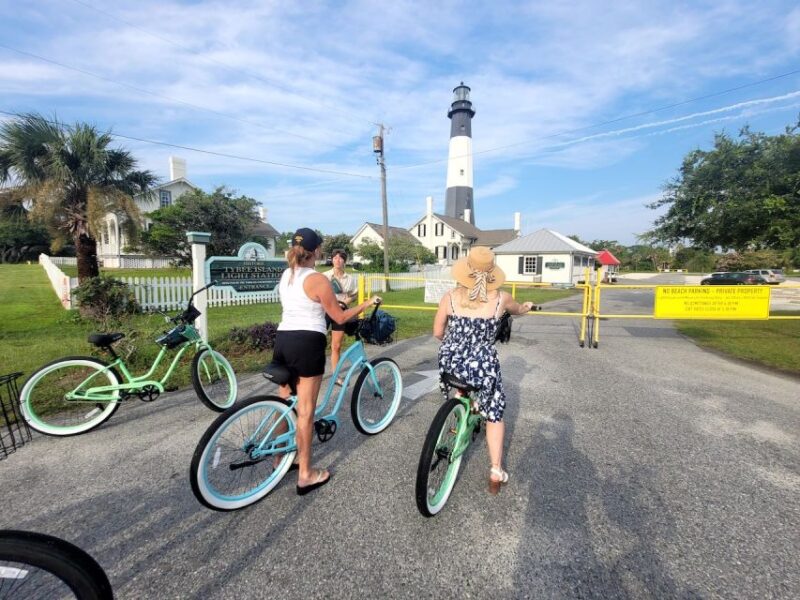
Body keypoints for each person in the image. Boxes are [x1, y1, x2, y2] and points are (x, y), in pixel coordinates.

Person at [275, 228, 380, 495]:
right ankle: (306, 474)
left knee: (286, 404)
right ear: (317, 251)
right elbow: (340, 318)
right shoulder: (317, 279)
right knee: (307, 410)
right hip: (306, 342)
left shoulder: (287, 274)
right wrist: (366, 304)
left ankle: (280, 459)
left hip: (283, 339)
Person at [432, 246, 533, 494]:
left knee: (462, 382)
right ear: (491, 274)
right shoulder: (501, 298)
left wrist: (456, 345)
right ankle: (496, 469)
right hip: (482, 363)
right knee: (494, 412)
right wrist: (527, 307)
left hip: (450, 360)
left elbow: (437, 333)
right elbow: (518, 310)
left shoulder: (450, 297)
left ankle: (459, 411)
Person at [323, 248, 358, 379]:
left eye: (341, 258)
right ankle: (312, 374)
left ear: (345, 260)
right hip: (325, 311)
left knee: (336, 346)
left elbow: (354, 294)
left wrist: (346, 302)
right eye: (335, 257)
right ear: (331, 260)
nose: (338, 260)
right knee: (317, 343)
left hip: (340, 312)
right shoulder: (324, 276)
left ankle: (336, 375)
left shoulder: (350, 279)